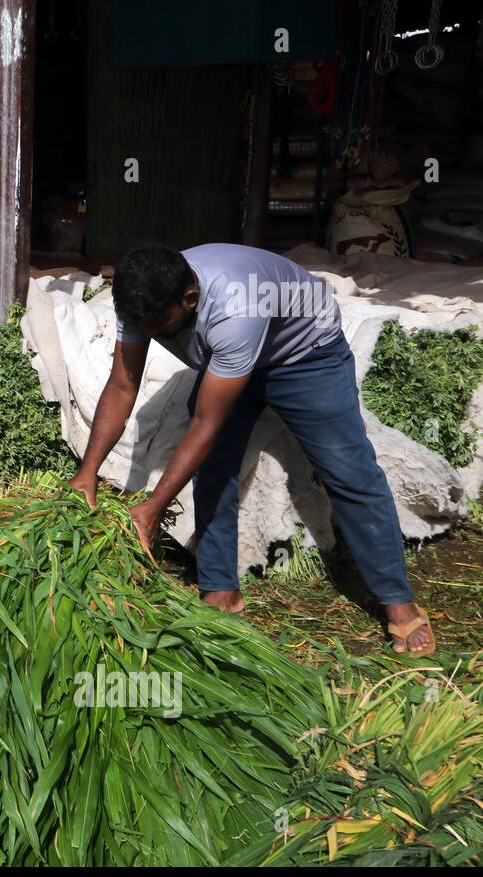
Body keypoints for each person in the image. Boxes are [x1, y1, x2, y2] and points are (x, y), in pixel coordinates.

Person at [68, 242, 435, 657]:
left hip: (304, 353)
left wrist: (152, 510)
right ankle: (221, 591)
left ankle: (398, 603)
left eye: (157, 325)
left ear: (190, 300)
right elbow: (122, 383)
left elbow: (208, 423)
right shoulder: (143, 298)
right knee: (214, 467)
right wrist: (88, 471)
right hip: (232, 353)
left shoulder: (233, 310)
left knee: (348, 470)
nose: (147, 334)